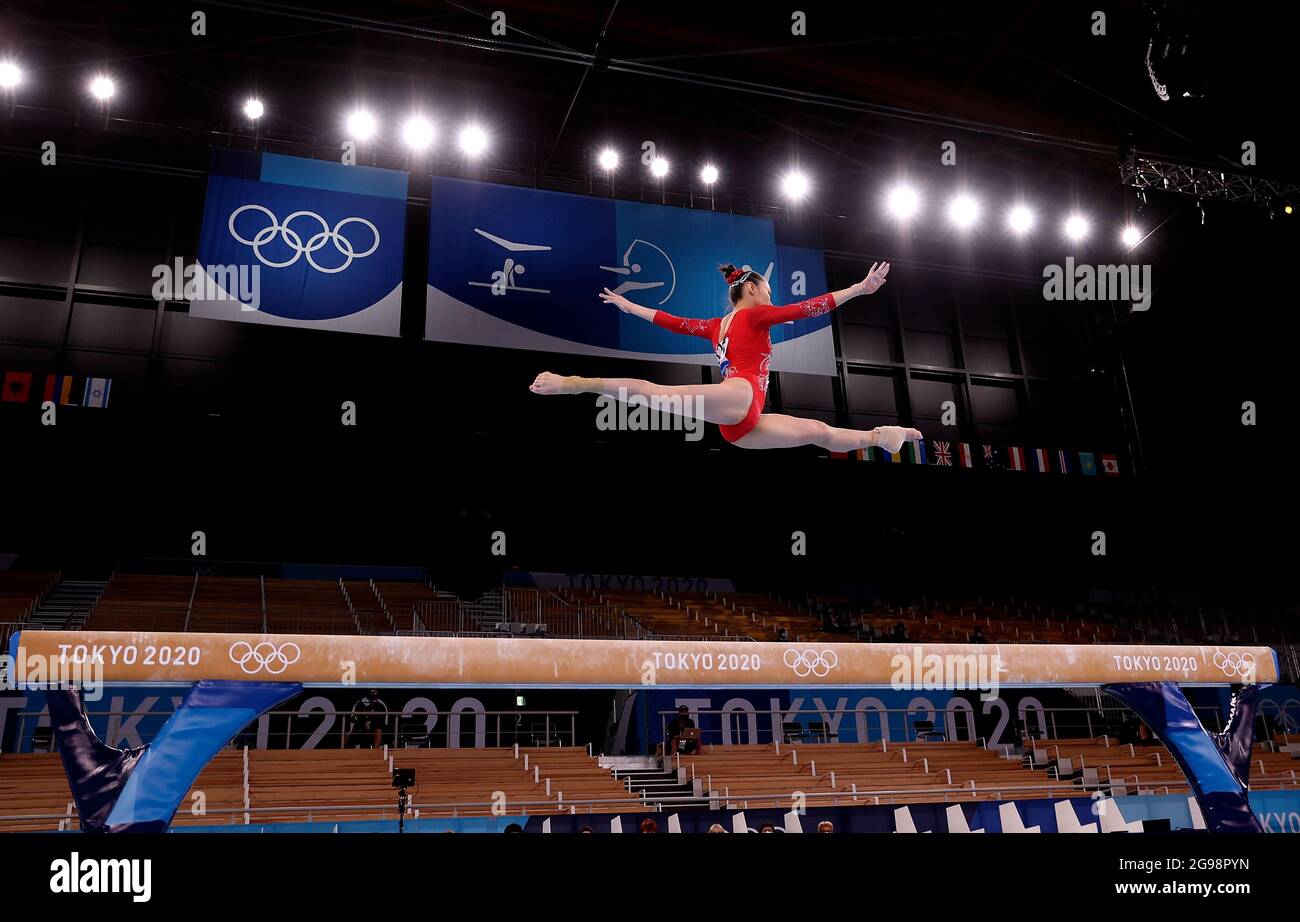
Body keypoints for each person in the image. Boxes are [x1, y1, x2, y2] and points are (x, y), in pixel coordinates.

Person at [531, 262, 922, 453]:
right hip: (741, 396)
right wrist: (858, 288)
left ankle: (881, 437)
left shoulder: (716, 325)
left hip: (741, 424)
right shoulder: (754, 314)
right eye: (767, 290)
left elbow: (672, 322)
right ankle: (574, 383)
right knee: (654, 394)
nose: (771, 298)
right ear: (751, 289)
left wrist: (630, 307)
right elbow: (808, 308)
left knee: (818, 432)